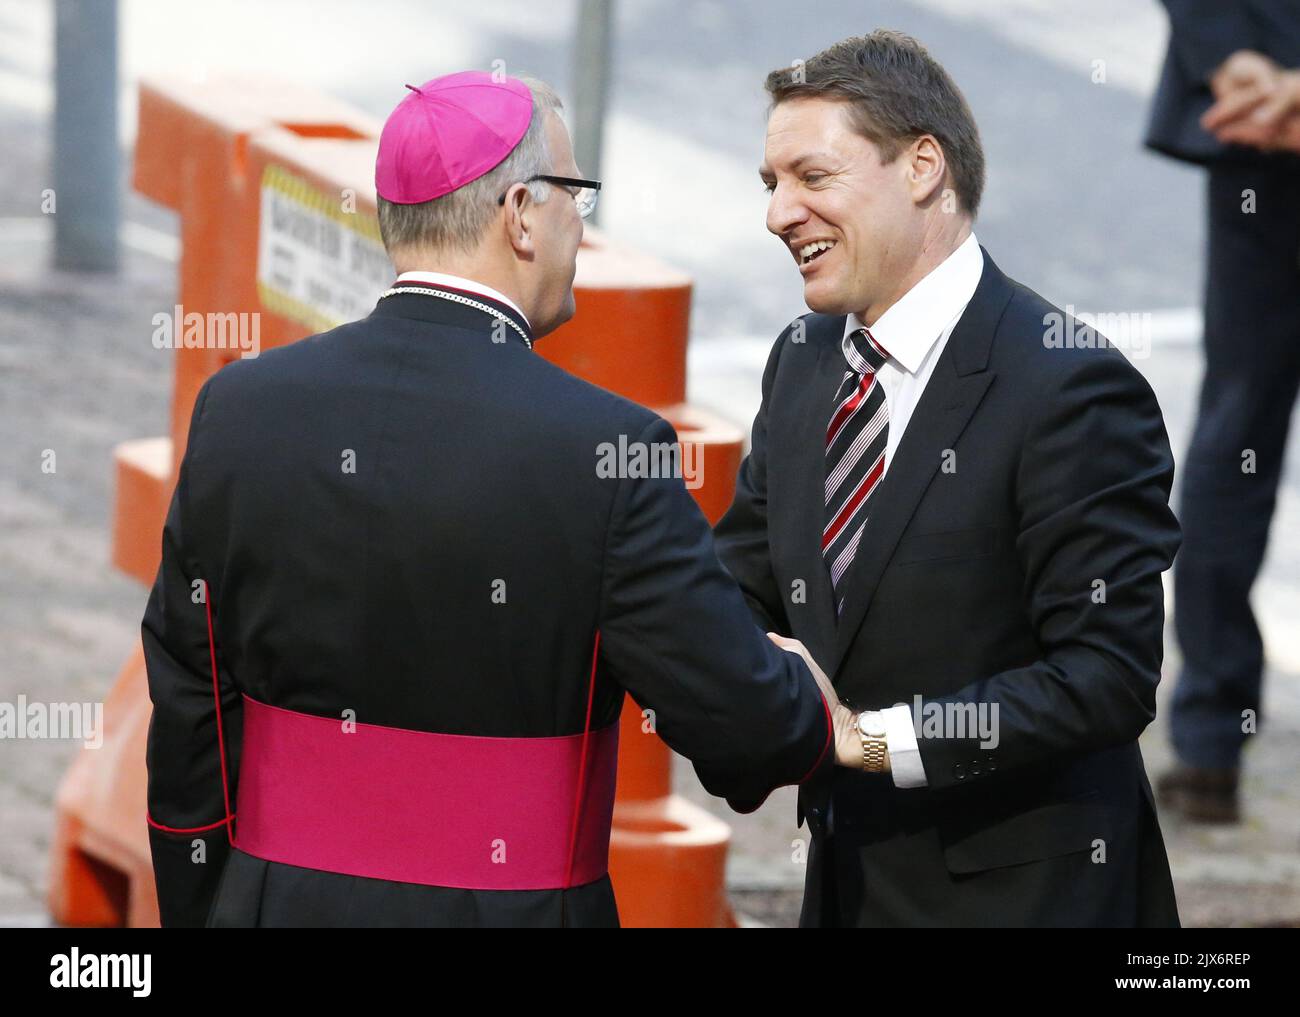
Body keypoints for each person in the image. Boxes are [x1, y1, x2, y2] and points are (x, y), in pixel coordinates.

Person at [143, 70, 858, 928]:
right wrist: (811, 706)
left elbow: (192, 699)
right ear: (520, 212)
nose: (577, 230)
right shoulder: (608, 451)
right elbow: (737, 719)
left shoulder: (241, 409)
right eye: (573, 198)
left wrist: (214, 903)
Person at [714, 31, 1182, 926]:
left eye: (811, 177)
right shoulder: (806, 360)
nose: (779, 213)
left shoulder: (1069, 385)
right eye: (770, 185)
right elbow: (742, 590)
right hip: (848, 891)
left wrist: (873, 741)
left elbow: (1105, 675)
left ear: (922, 166)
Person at [1146, 0, 1300, 824]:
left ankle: (1210, 742)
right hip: (1264, 121)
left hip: (1258, 124)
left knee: (1237, 423)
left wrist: (1236, 57)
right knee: (1235, 427)